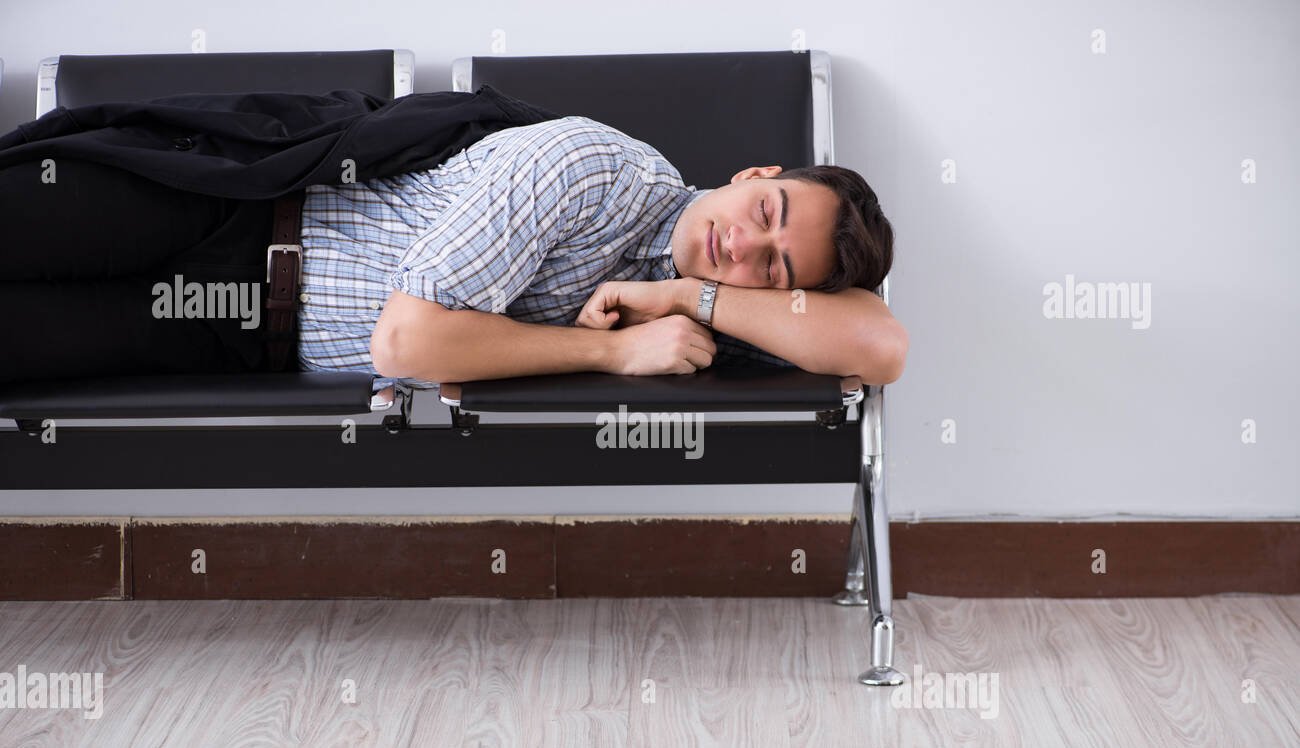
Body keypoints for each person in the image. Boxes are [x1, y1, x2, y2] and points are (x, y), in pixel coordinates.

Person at [0, 114, 905, 386]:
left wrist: (684, 299)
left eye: (776, 266)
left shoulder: (699, 307)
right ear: (754, 171)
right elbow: (406, 344)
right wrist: (609, 351)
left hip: (233, 337)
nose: (745, 244)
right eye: (767, 209)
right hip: (220, 211)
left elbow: (882, 347)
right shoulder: (593, 167)